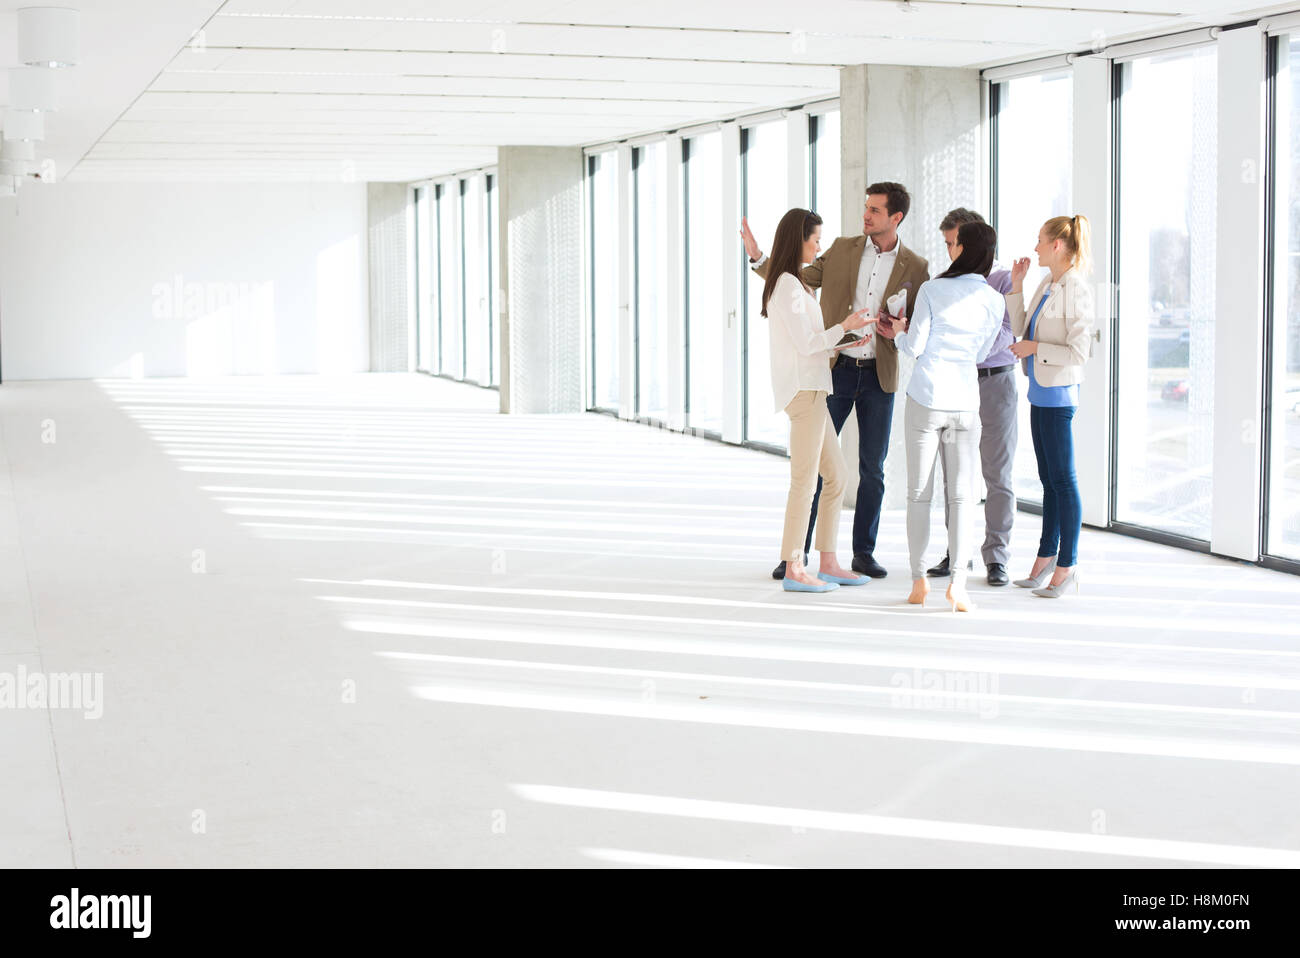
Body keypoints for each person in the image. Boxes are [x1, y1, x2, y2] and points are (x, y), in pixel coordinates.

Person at [742, 182, 930, 581]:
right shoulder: (841, 250)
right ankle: (796, 558)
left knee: (864, 470)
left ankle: (855, 554)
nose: (866, 215)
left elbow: (916, 323)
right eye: (866, 207)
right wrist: (760, 258)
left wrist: (893, 326)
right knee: (810, 475)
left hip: (877, 373)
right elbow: (794, 280)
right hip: (833, 371)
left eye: (875, 210)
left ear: (895, 218)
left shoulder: (915, 266)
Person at [876, 221, 1005, 612]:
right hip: (966, 403)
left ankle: (919, 582)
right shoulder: (994, 299)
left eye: (954, 244)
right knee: (963, 496)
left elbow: (914, 346)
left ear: (963, 248)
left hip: (927, 399)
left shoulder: (933, 289)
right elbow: (981, 354)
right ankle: (960, 585)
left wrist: (895, 332)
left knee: (919, 493)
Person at [762, 207, 875, 592]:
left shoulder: (798, 284)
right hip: (804, 392)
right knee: (804, 481)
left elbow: (813, 341)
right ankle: (794, 567)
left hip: (815, 389)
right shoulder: (788, 286)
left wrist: (846, 337)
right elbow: (807, 343)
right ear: (800, 239)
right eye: (815, 239)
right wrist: (844, 327)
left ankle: (827, 561)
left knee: (837, 476)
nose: (819, 246)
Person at [925, 208, 1018, 586]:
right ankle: (956, 552)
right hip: (956, 385)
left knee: (998, 475)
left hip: (996, 384)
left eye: (956, 243)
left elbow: (1010, 331)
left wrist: (972, 349)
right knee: (954, 475)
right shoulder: (944, 284)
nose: (952, 251)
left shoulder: (1005, 281)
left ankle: (997, 557)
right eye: (948, 244)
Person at [1006, 215, 1095, 598]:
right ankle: (1045, 558)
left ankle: (1068, 564)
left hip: (1059, 394)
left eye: (1040, 240)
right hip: (1040, 390)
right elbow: (1020, 329)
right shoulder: (1048, 282)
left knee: (1063, 480)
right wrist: (1017, 287)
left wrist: (1035, 349)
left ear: (1058, 244)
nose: (1036, 246)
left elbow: (1079, 351)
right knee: (1048, 480)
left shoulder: (1076, 288)